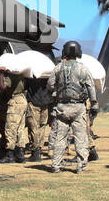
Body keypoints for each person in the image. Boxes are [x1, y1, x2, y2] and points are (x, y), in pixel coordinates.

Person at [47, 41, 98, 173]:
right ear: (78, 52)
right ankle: (81, 166)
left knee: (60, 137)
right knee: (80, 138)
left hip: (62, 107)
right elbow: (91, 88)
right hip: (78, 107)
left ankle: (56, 165)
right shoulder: (83, 69)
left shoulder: (58, 68)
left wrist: (57, 91)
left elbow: (50, 85)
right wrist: (94, 103)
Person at [0, 67, 29, 163]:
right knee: (20, 128)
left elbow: (2, 87)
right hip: (22, 99)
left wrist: (2, 74)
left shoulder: (11, 76)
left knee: (10, 128)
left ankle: (10, 154)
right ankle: (20, 154)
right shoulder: (22, 74)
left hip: (15, 101)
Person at [24, 75, 51, 163]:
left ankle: (35, 151)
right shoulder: (47, 74)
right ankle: (39, 148)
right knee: (42, 127)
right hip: (45, 103)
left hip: (34, 102)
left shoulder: (31, 73)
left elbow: (25, 86)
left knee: (33, 127)